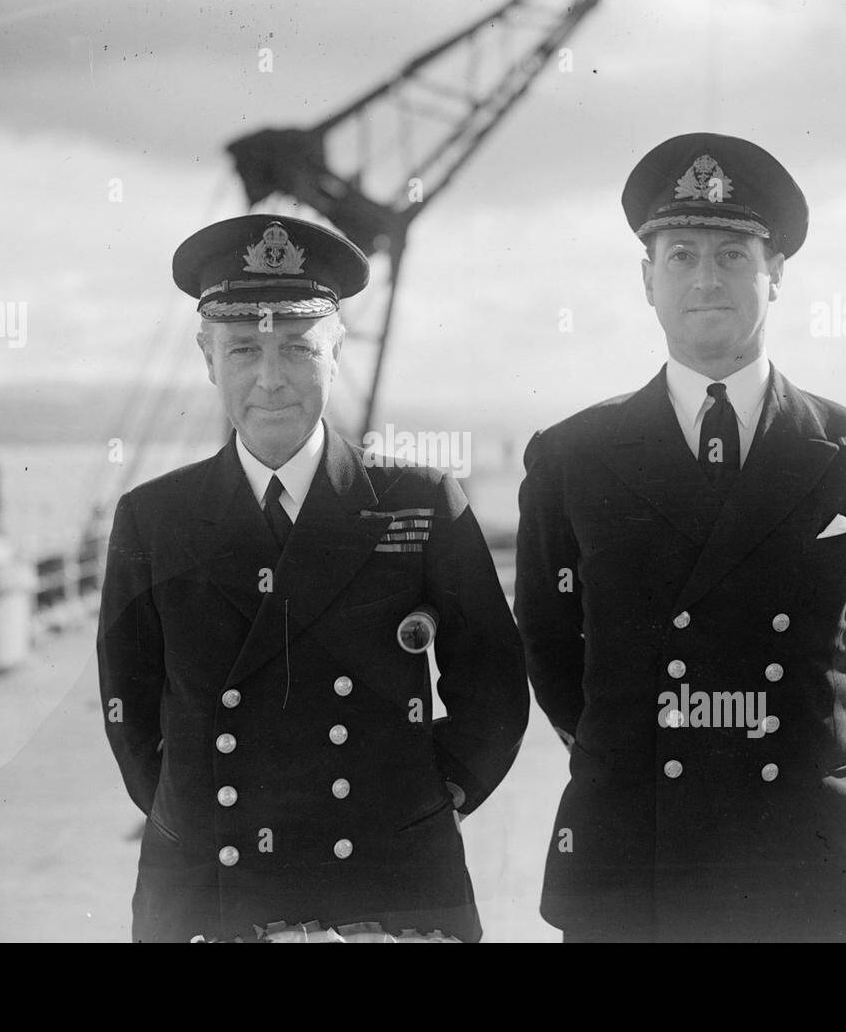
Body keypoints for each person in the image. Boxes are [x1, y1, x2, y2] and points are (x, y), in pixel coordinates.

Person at [514, 133, 846, 943]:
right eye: (682, 253)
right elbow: (551, 651)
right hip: (634, 847)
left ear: (776, 275)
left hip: (803, 849)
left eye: (733, 254)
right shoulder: (571, 457)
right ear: (646, 280)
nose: (706, 279)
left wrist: (784, 738)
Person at [98, 214, 528, 943]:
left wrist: (424, 805)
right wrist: (195, 815)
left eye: (296, 347)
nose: (270, 379)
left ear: (336, 352)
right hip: (213, 895)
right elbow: (129, 715)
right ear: (208, 357)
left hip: (387, 890)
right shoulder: (153, 520)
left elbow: (493, 689)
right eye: (243, 350)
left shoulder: (420, 503)